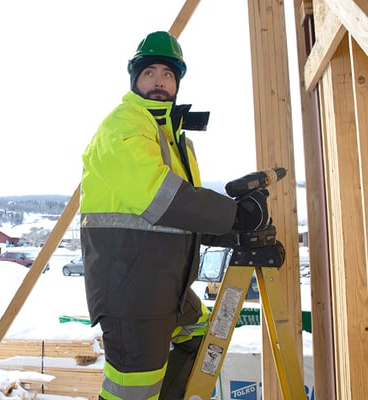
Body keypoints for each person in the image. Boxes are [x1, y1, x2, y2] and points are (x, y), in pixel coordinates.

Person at [79, 31, 270, 399]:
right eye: (149, 72)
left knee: (201, 338)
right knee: (131, 391)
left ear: (177, 82)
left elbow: (182, 217)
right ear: (135, 79)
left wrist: (232, 230)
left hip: (169, 288)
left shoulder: (169, 136)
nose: (159, 82)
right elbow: (161, 197)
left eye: (167, 75)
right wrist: (235, 216)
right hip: (132, 292)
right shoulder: (124, 126)